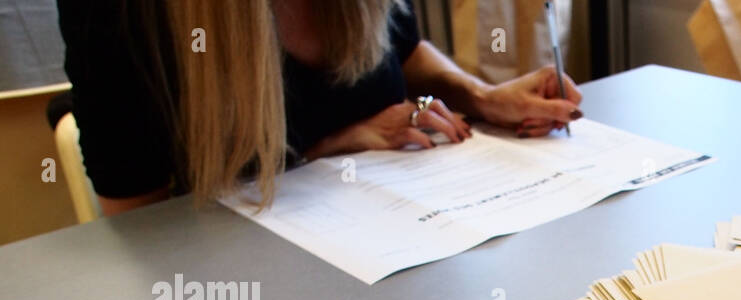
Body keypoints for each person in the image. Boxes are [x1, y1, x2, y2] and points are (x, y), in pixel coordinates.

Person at [57, 0, 583, 215]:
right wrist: (326, 149)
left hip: (404, 246)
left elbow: (399, 50)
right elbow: (143, 228)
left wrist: (480, 95)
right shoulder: (117, 15)